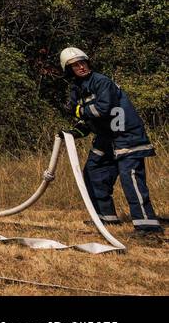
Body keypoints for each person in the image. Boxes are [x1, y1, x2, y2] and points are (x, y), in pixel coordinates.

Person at [62, 46, 162, 239]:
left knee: (130, 178)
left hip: (127, 137)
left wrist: (77, 111)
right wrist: (76, 131)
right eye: (75, 65)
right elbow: (91, 119)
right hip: (107, 138)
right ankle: (105, 217)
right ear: (69, 70)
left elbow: (103, 110)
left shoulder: (102, 81)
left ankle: (148, 228)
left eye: (82, 62)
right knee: (93, 171)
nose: (81, 67)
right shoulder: (78, 88)